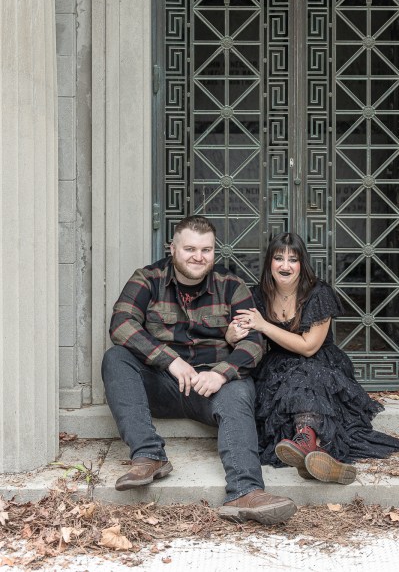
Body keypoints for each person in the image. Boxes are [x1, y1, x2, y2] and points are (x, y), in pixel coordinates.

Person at [101, 214, 296, 525]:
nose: (198, 257)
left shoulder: (230, 285)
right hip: (163, 384)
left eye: (206, 250)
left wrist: (221, 373)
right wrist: (169, 360)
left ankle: (245, 491)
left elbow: (255, 341)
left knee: (239, 388)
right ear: (173, 248)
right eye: (190, 249)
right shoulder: (148, 279)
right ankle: (149, 456)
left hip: (212, 388)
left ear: (214, 251)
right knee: (116, 358)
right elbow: (121, 324)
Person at [228, 232, 399, 484]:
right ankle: (317, 452)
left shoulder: (318, 293)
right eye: (279, 258)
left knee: (306, 375)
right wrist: (232, 334)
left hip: (320, 363)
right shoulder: (258, 295)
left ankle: (306, 441)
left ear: (302, 264)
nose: (285, 265)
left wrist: (264, 325)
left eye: (293, 259)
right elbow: (237, 330)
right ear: (269, 263)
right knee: (282, 399)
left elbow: (309, 347)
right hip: (276, 367)